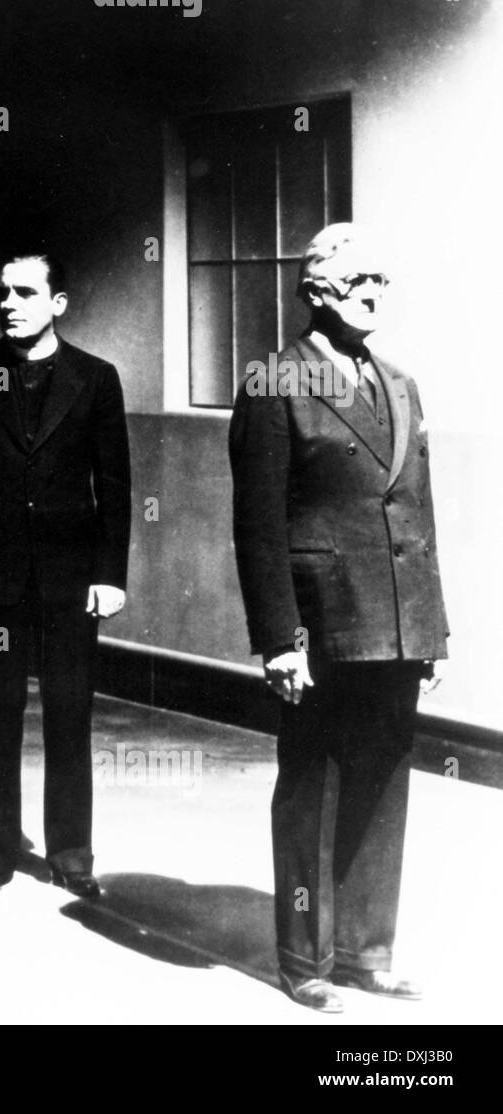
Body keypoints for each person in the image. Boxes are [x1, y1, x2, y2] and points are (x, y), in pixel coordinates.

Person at [229, 222, 449, 1013]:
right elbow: (257, 526)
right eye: (358, 279)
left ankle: (366, 951)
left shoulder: (400, 382)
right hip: (320, 627)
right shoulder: (273, 381)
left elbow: (416, 513)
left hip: (395, 624)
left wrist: (429, 628)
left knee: (384, 783)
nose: (373, 293)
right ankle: (307, 959)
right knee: (312, 788)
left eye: (382, 281)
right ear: (315, 288)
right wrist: (279, 642)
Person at [0, 250, 131, 899]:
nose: (10, 304)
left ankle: (72, 853)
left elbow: (116, 486)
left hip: (71, 583)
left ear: (59, 303)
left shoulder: (95, 379)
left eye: (25, 292)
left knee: (70, 716)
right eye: (3, 292)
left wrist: (110, 572)